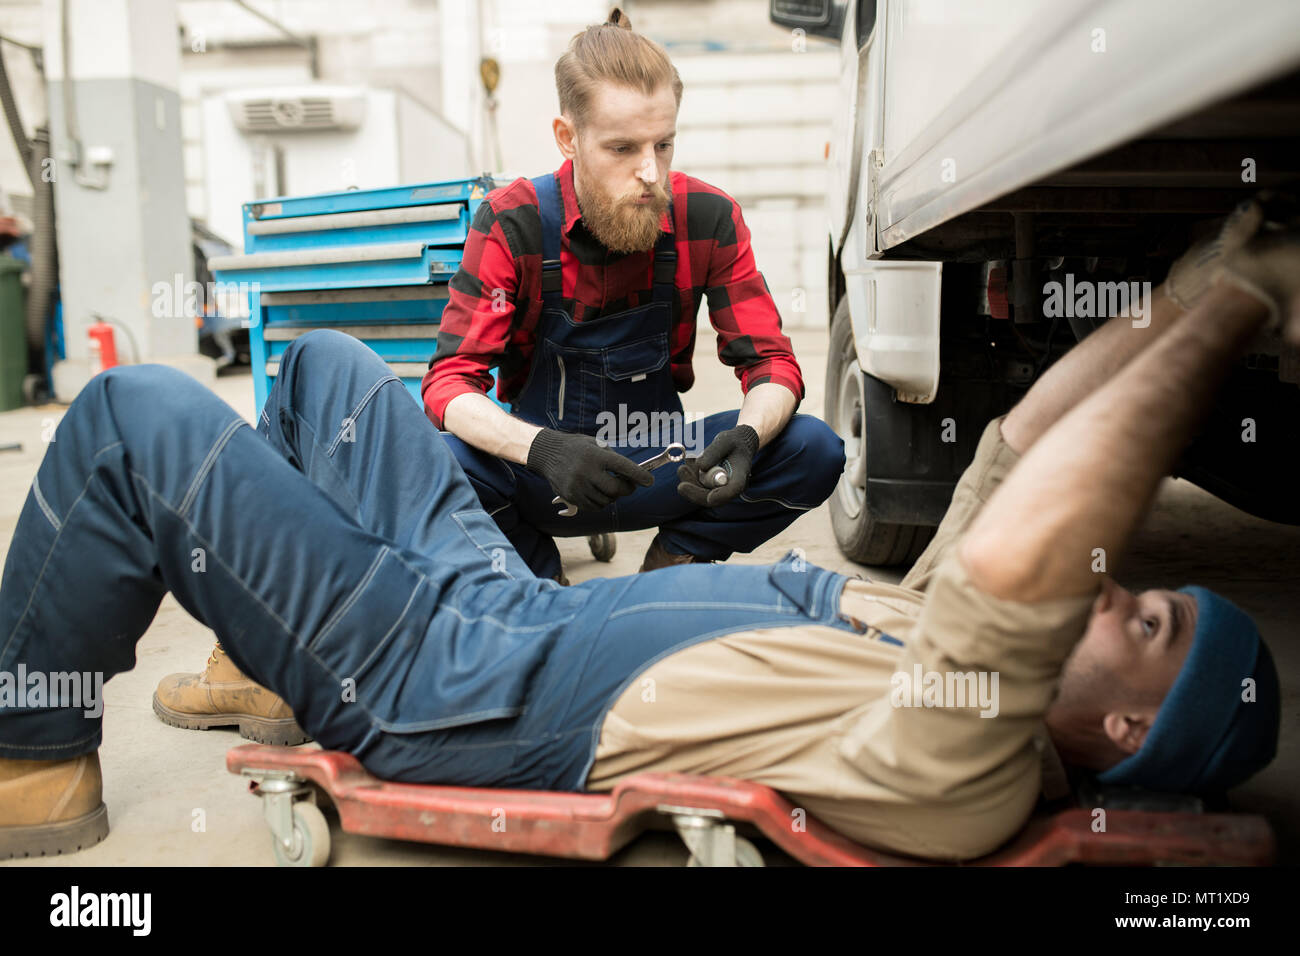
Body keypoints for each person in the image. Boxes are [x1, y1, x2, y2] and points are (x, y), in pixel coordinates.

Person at [0, 196, 1291, 862]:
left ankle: (31, 753)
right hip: (505, 602)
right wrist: (1197, 291)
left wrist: (1236, 313)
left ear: (1130, 732)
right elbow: (1023, 447)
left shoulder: (972, 763)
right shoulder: (933, 628)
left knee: (130, 416)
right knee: (332, 365)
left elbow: (1030, 562)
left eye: (1148, 624)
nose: (1113, 593)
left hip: (441, 679)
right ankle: (262, 657)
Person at [150, 9, 845, 736]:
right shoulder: (513, 222)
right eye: (622, 148)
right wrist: (543, 448)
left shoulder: (707, 216)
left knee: (810, 446)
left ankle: (673, 569)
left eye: (663, 144)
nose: (650, 172)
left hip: (656, 467)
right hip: (536, 477)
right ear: (567, 137)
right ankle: (532, 586)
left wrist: (747, 435)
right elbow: (449, 383)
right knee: (432, 461)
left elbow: (771, 361)